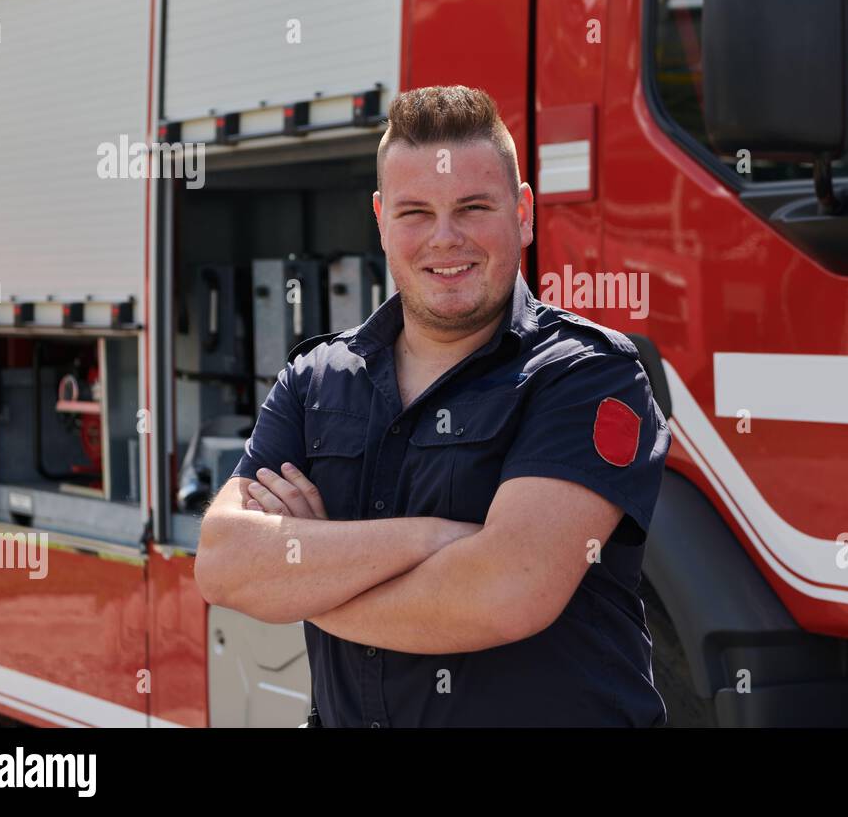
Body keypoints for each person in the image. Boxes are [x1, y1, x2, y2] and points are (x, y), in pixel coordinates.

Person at [195, 84, 670, 727]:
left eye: (473, 207)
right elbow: (224, 564)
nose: (445, 239)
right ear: (381, 219)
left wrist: (306, 576)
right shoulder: (315, 379)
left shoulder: (587, 375)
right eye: (415, 212)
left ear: (523, 213)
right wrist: (434, 539)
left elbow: (505, 592)